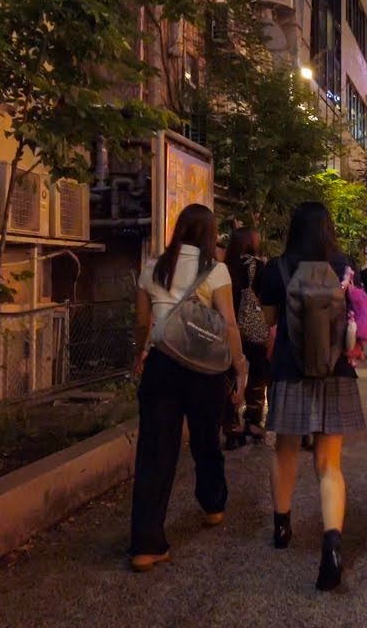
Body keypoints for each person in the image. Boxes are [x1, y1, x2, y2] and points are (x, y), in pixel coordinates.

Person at [129, 204, 248, 572]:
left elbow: (141, 323)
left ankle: (145, 546)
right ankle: (213, 503)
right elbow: (228, 324)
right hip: (203, 369)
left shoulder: (153, 267)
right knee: (205, 440)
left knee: (155, 453)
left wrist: (140, 354)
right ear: (211, 235)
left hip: (161, 364)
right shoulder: (216, 270)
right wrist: (239, 366)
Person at [256, 202, 365, 591]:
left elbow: (270, 321)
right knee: (329, 463)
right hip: (337, 371)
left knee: (285, 450)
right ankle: (332, 542)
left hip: (290, 371)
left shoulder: (276, 268)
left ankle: (282, 525)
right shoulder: (344, 266)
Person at [224, 227, 271, 448]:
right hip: (253, 329)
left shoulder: (224, 266)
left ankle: (232, 425)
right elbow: (264, 298)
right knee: (258, 375)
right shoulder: (258, 266)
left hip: (227, 328)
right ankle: (253, 421)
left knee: (230, 375)